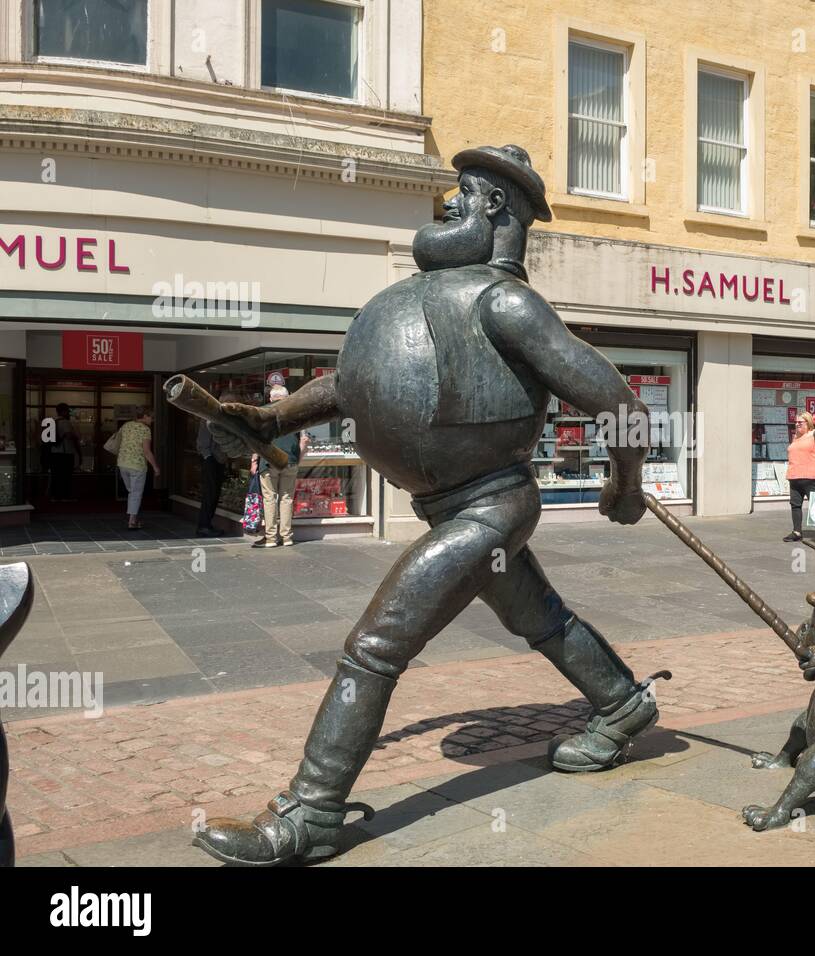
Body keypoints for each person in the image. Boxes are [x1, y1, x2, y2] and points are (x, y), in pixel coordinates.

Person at [183, 145, 666, 865]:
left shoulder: (504, 301)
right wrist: (264, 421)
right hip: (448, 508)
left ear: (499, 205)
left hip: (490, 507)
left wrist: (624, 488)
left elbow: (617, 402)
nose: (449, 203)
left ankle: (310, 813)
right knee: (544, 619)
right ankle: (623, 705)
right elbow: (350, 385)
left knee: (375, 645)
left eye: (465, 192)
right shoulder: (428, 296)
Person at [250, 385, 309, 548]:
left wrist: (254, 460)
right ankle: (287, 537)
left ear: (270, 398)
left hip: (269, 461)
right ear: (287, 397)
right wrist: (297, 459)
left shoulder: (261, 412)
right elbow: (304, 440)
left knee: (270, 499)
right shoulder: (296, 413)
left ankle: (270, 538)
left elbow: (255, 440)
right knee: (286, 499)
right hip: (290, 461)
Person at [784, 410, 815, 543]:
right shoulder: (796, 437)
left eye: (800, 422)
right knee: (795, 505)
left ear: (808, 422)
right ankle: (797, 531)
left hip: (812, 477)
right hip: (794, 476)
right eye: (796, 422)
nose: (797, 424)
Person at [195, 391, 236, 537]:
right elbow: (203, 442)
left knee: (214, 494)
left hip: (218, 459)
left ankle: (206, 524)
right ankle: (204, 526)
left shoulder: (225, 417)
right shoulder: (210, 415)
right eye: (230, 402)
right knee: (210, 494)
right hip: (211, 459)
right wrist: (208, 457)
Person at [116, 410, 160, 530]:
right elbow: (147, 451)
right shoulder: (145, 430)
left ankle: (133, 518)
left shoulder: (126, 425)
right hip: (137, 465)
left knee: (132, 492)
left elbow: (119, 442)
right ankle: (132, 521)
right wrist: (155, 467)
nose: (153, 420)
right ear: (145, 416)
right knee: (135, 493)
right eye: (152, 417)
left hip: (122, 463)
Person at [49, 403, 79, 502]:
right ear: (64, 411)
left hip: (54, 451)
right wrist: (75, 436)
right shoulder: (65, 422)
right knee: (66, 475)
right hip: (65, 452)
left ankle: (54, 496)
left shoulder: (53, 422)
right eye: (67, 411)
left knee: (56, 475)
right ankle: (65, 496)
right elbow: (69, 436)